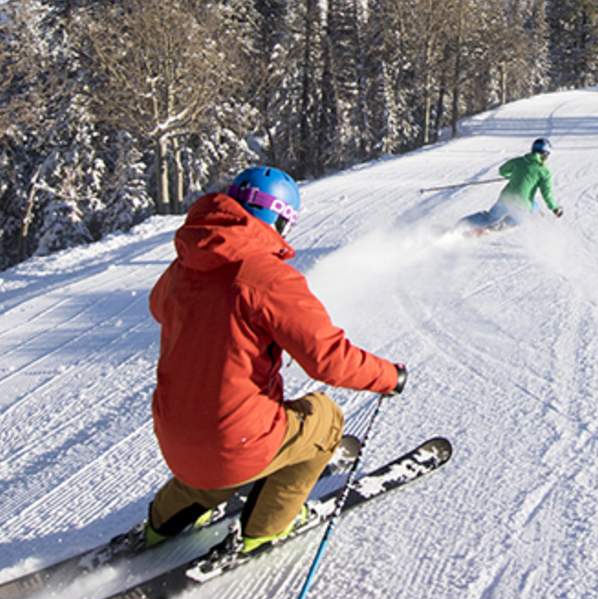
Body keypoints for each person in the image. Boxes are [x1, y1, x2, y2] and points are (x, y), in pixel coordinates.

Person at [143, 166, 406, 556]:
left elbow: (158, 307)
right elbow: (328, 360)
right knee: (323, 417)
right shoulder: (267, 277)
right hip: (236, 445)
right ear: (279, 219)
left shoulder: (185, 266)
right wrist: (388, 376)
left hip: (173, 438)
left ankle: (162, 522)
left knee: (219, 433)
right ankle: (264, 529)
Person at [460, 137, 563, 234]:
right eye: (547, 155)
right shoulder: (544, 172)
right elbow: (547, 194)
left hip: (506, 198)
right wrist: (555, 208)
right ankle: (493, 229)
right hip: (522, 204)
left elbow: (502, 170)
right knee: (517, 220)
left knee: (490, 217)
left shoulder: (519, 161)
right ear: (544, 154)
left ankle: (461, 225)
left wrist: (512, 175)